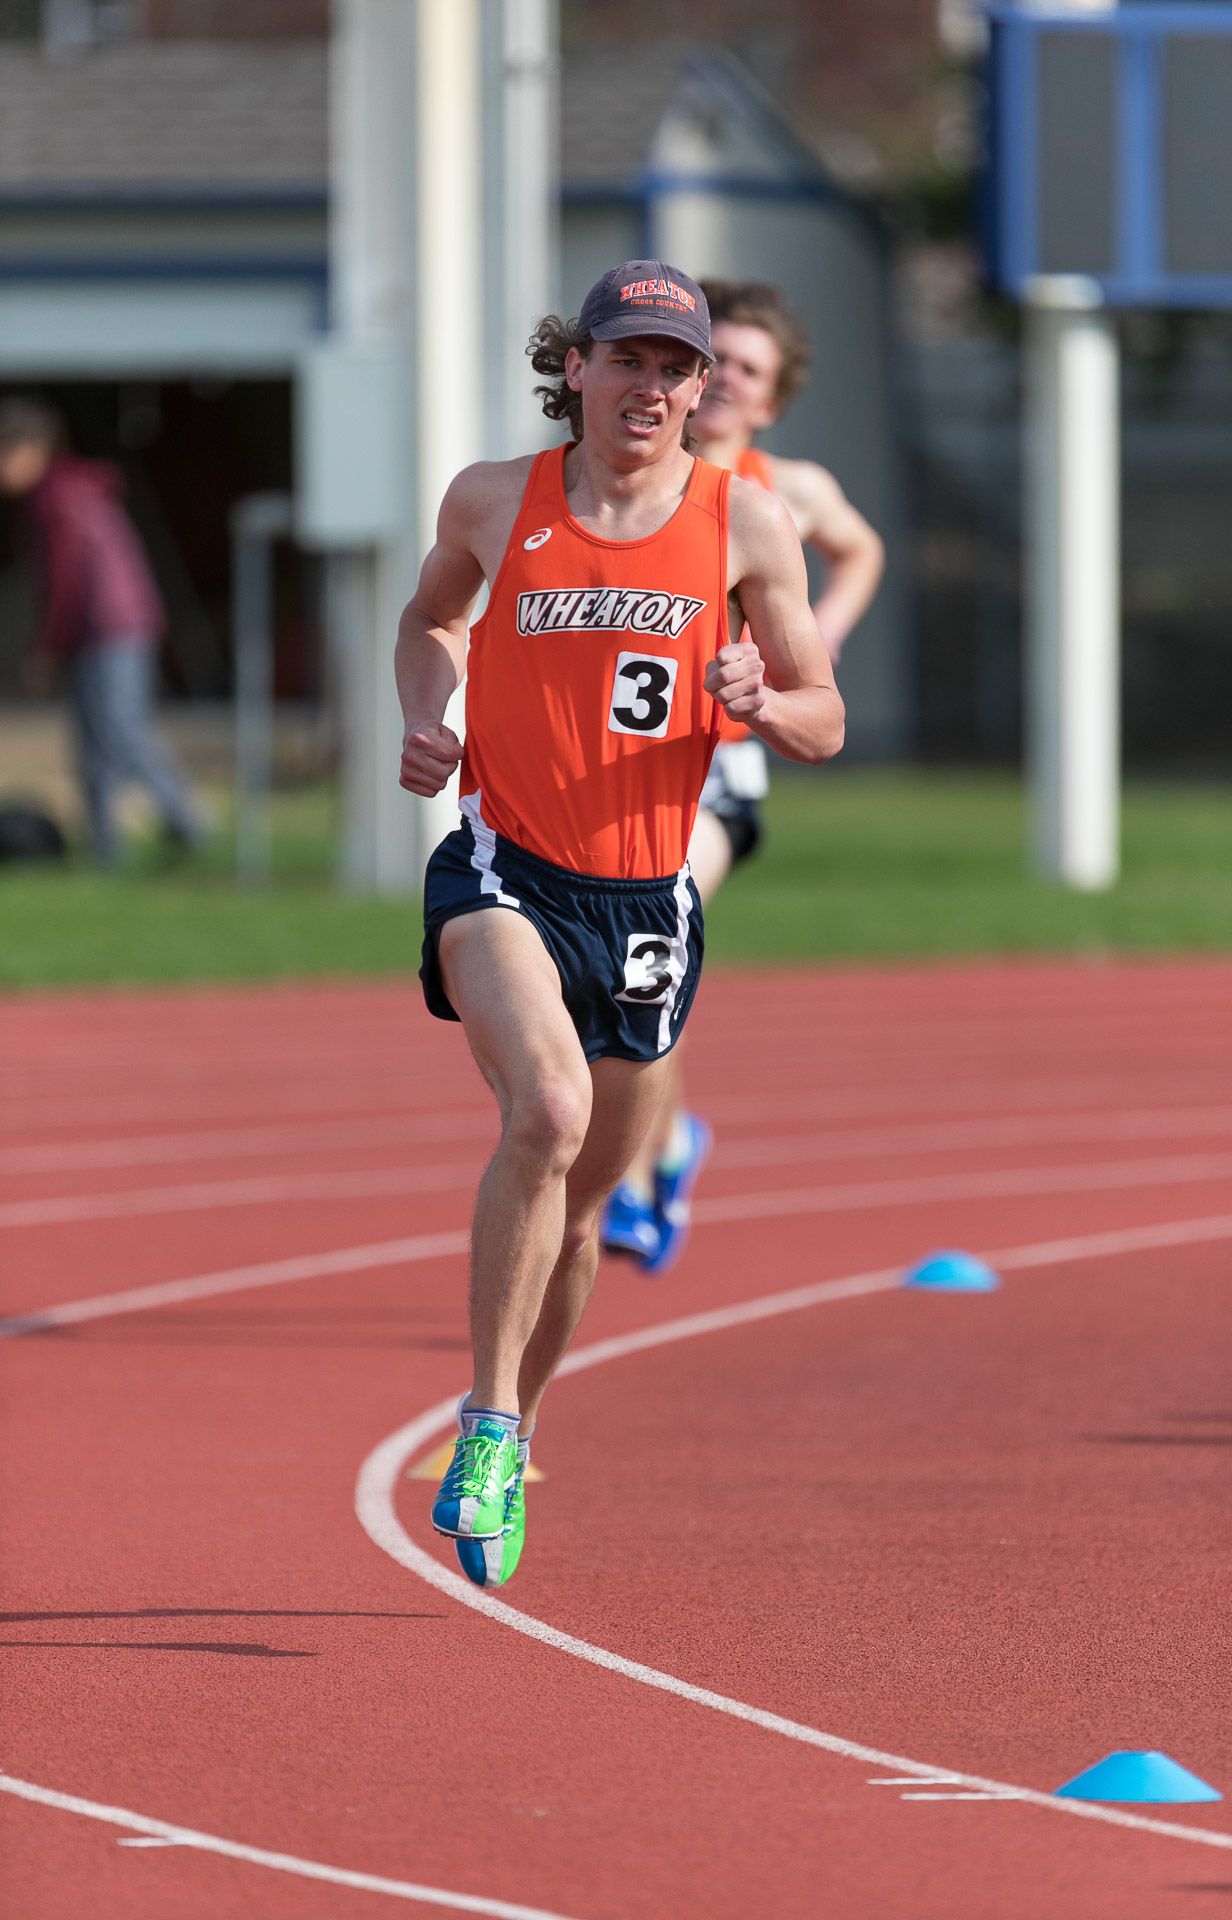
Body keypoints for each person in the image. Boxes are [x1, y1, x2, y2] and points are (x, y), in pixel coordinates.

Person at [396, 260, 844, 1588]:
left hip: (651, 903)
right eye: (628, 360)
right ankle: (481, 1422)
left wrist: (762, 699)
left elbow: (827, 720)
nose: (651, 387)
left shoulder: (747, 525)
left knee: (590, 1210)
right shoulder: (495, 497)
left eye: (675, 367)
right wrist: (429, 711)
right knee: (543, 1111)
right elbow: (432, 616)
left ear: (702, 390)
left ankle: (524, 1422)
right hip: (503, 867)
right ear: (575, 367)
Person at [601, 280, 885, 1275]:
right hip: (616, 771)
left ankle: (632, 1185)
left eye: (748, 371)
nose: (722, 382)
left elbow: (861, 548)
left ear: (769, 402)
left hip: (716, 774)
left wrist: (826, 631)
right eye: (709, 359)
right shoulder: (625, 477)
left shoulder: (780, 493)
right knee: (625, 967)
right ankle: (672, 1143)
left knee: (652, 934)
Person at [0, 396, 206, 865]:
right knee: (92, 736)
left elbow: (69, 579)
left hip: (114, 627)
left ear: (34, 448)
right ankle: (106, 845)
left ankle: (187, 822)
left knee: (119, 727)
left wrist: (47, 647)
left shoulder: (60, 495)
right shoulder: (62, 491)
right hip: (103, 628)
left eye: (5, 453)